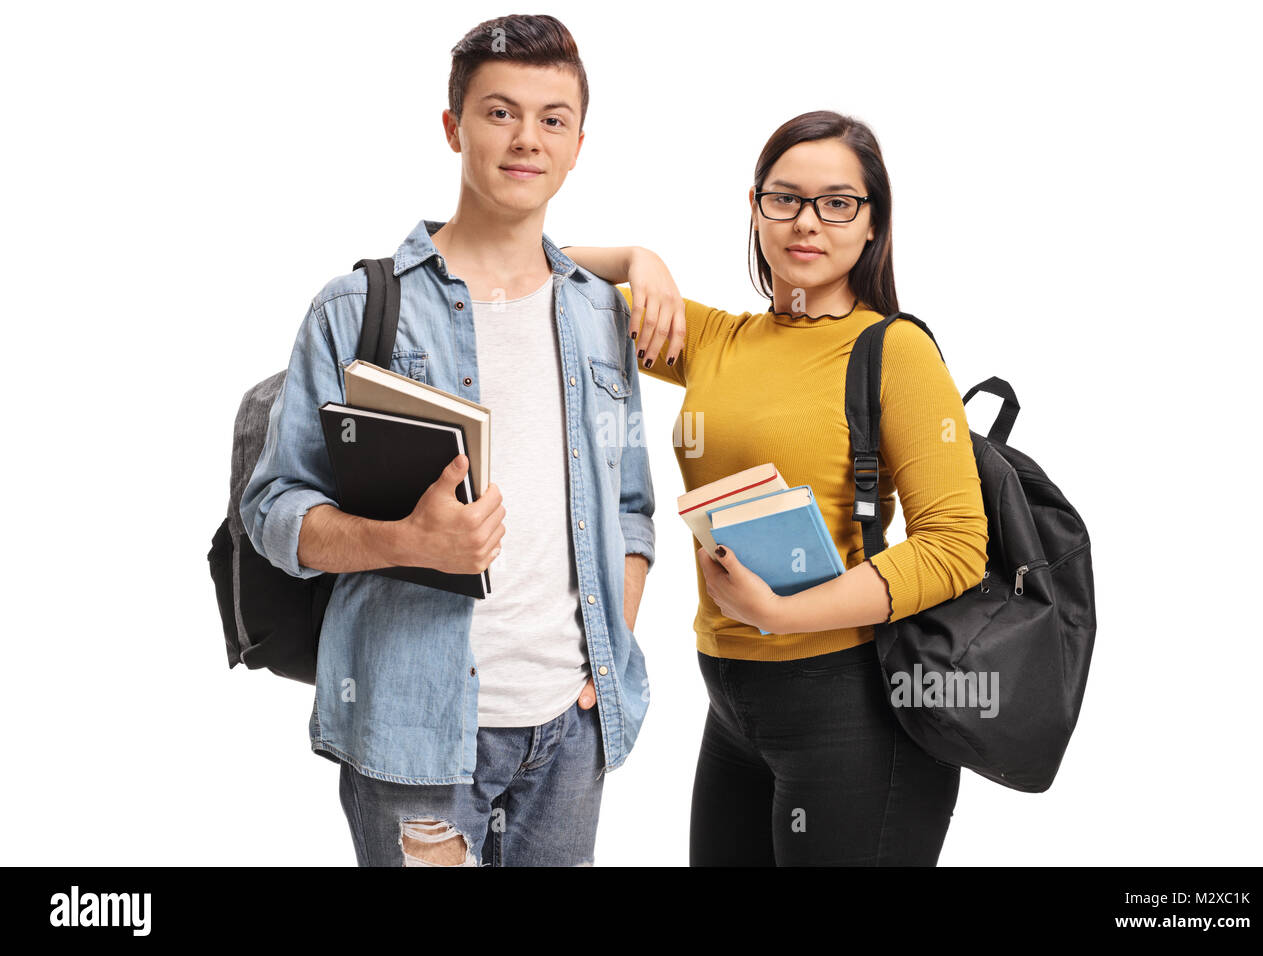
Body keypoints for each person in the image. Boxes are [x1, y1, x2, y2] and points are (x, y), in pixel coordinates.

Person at [239, 14, 655, 867]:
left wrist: (605, 660)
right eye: (499, 112)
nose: (526, 138)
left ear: (579, 143)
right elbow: (274, 511)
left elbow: (632, 509)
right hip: (413, 735)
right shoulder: (356, 309)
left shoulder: (600, 314)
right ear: (452, 126)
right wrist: (406, 541)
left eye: (552, 119)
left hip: (570, 732)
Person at [562, 111, 988, 866]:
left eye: (837, 202)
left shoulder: (895, 351)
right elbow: (527, 273)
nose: (807, 222)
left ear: (872, 223)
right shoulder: (717, 339)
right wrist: (638, 258)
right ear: (754, 208)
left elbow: (955, 548)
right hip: (732, 703)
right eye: (783, 198)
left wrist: (781, 613)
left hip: (849, 704)